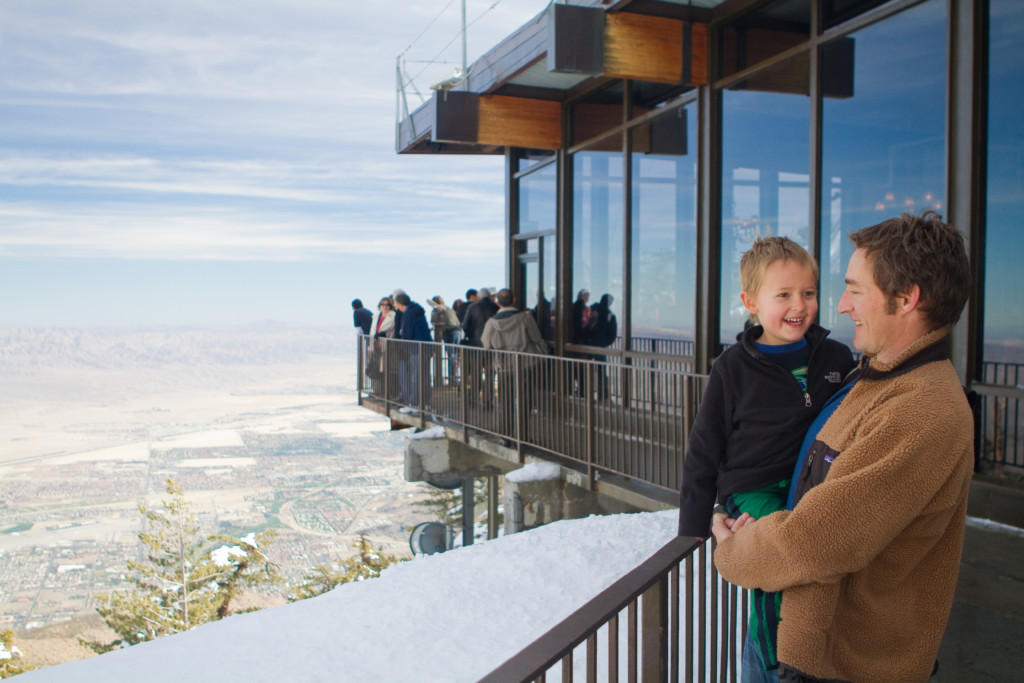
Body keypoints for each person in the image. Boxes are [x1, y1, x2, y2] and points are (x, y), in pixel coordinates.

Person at [712, 212, 974, 683]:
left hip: (841, 663)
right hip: (803, 640)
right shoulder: (877, 377)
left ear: (906, 299)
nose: (841, 304)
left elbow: (819, 540)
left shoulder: (923, 412)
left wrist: (733, 550)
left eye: (855, 289)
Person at [677, 236, 855, 682]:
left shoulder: (834, 356)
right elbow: (704, 448)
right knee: (783, 559)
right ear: (751, 302)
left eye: (809, 292)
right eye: (784, 295)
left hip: (812, 482)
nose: (800, 305)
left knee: (824, 563)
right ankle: (777, 662)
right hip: (753, 487)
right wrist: (694, 526)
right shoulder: (732, 368)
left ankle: (811, 650)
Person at [482, 288, 549, 431]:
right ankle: (522, 434)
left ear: (498, 303)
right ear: (514, 300)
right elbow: (537, 338)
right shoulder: (525, 318)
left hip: (504, 367)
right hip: (526, 365)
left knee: (506, 401)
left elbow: (486, 345)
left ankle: (505, 435)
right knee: (526, 400)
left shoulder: (491, 323)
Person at [393, 292, 432, 409]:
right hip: (426, 347)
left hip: (416, 349)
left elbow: (408, 334)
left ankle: (415, 404)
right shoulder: (416, 310)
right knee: (424, 376)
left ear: (400, 304)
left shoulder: (408, 314)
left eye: (395, 303)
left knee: (416, 377)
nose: (394, 305)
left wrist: (403, 342)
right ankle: (425, 403)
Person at [587, 294, 618, 400]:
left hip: (589, 345)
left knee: (587, 370)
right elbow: (612, 333)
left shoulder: (593, 309)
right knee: (601, 371)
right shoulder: (609, 315)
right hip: (601, 346)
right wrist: (605, 342)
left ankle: (587, 394)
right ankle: (603, 395)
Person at [368, 297, 397, 395]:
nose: (384, 307)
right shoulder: (376, 317)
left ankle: (388, 392)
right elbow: (372, 330)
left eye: (387, 305)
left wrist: (382, 335)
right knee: (376, 369)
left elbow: (392, 330)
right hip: (376, 346)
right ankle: (378, 390)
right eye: (382, 304)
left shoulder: (393, 316)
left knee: (387, 370)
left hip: (387, 347)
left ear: (390, 306)